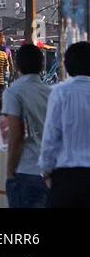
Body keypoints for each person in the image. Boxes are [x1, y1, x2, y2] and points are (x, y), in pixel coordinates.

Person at [39, 40, 90, 207]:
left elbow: (51, 136)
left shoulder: (60, 92)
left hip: (66, 178)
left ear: (67, 66)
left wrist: (46, 171)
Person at [1, 43, 50, 208]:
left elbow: (16, 134)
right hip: (48, 172)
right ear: (42, 65)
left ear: (17, 64)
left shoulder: (13, 92)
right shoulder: (51, 92)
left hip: (24, 170)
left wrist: (9, 171)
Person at [0, 31, 14, 115]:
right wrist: (11, 73)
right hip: (3, 77)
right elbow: (10, 65)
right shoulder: (7, 50)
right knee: (2, 94)